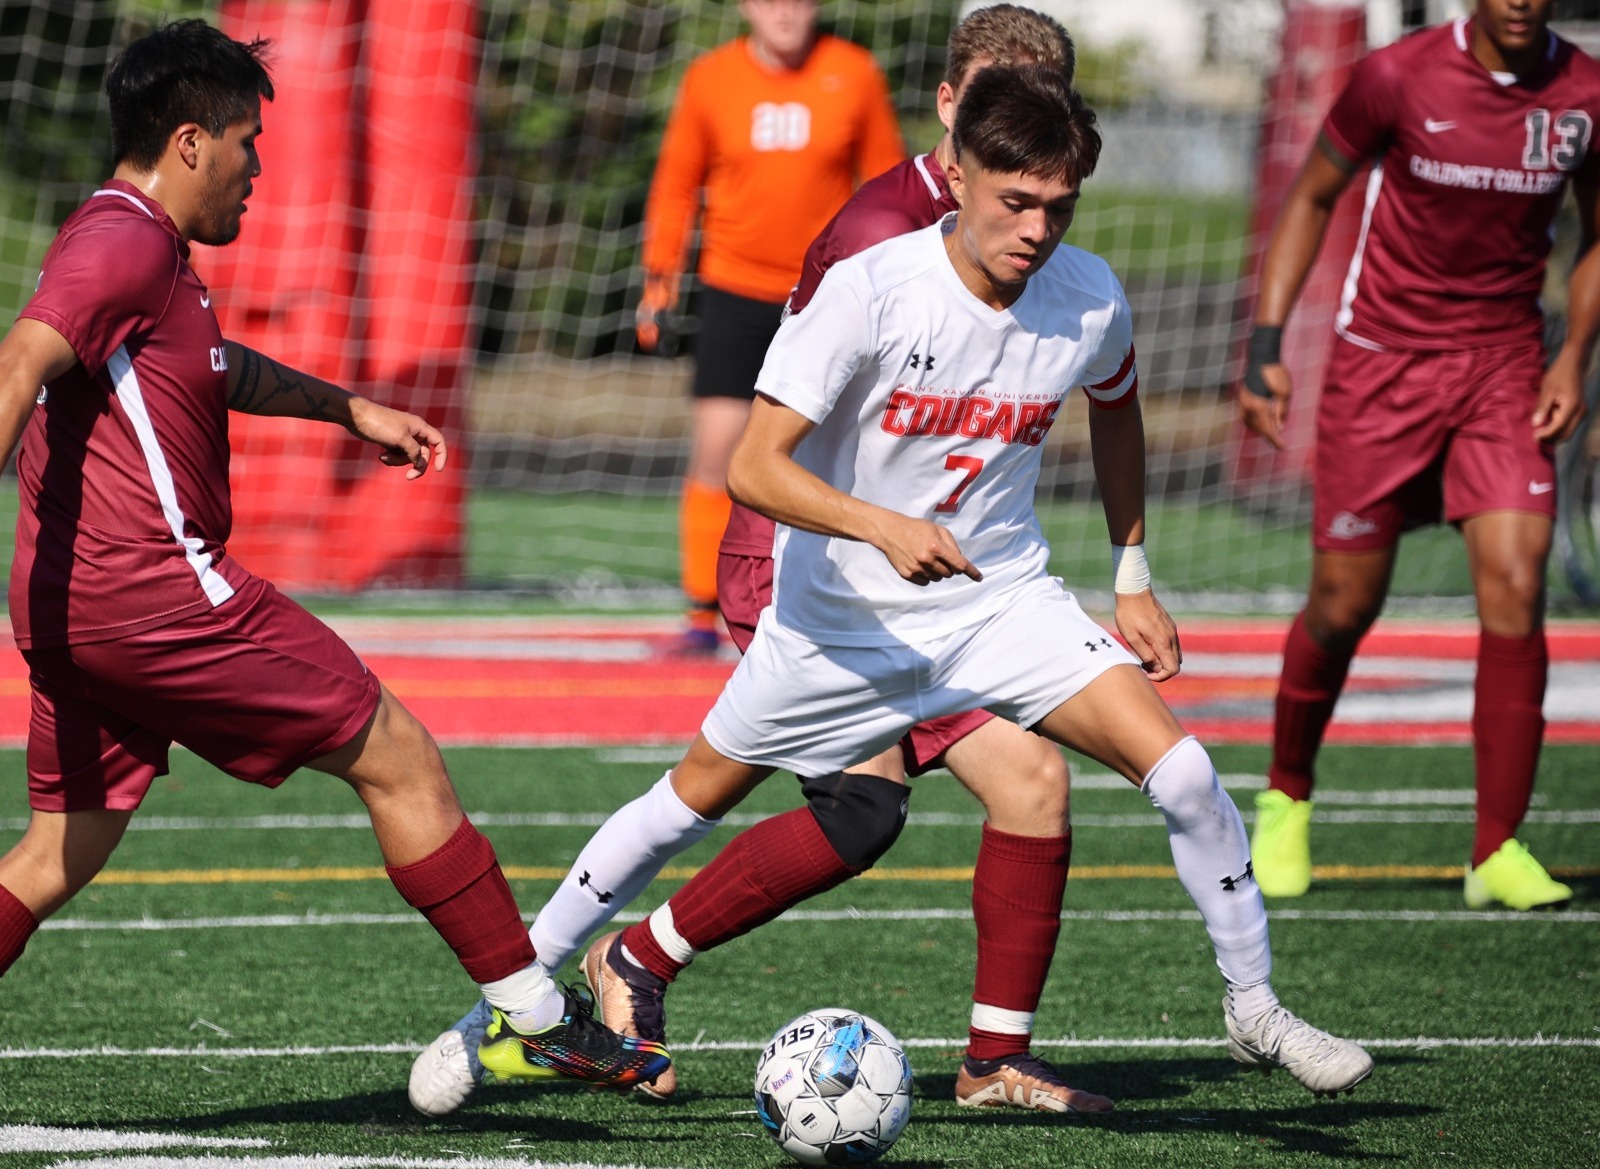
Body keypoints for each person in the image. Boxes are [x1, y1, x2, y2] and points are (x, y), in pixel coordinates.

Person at [424, 62, 1379, 1115]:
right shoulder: (873, 285)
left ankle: (1250, 1006)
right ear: (958, 175)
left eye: (1057, 207)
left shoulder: (1089, 295)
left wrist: (1131, 570)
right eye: (1014, 201)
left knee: (1186, 774)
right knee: (686, 804)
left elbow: (1116, 405)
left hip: (999, 607)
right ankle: (499, 1013)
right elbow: (753, 466)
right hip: (838, 622)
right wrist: (880, 526)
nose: (1035, 228)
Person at [408, 6, 1102, 1119]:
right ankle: (540, 986)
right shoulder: (884, 232)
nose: (1020, 153)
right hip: (805, 557)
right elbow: (784, 452)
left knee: (1026, 782)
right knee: (755, 792)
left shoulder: (1025, 257)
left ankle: (986, 1061)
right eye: (995, 118)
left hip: (918, 583)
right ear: (951, 115)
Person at [0, 19, 667, 1095]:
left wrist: (350, 409)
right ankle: (534, 1013)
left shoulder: (144, 248)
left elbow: (217, 367)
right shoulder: (117, 240)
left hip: (71, 611)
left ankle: (531, 1012)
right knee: (396, 749)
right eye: (245, 143)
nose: (257, 168)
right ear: (187, 144)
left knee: (50, 857)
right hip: (160, 594)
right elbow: (21, 356)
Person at [1238, 0, 1595, 910]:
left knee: (1517, 588)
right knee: (1344, 603)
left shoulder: (1585, 93)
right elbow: (1312, 195)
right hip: (1381, 368)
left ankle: (1498, 849)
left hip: (1505, 370)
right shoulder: (1396, 75)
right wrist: (1265, 347)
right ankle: (1285, 794)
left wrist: (1573, 356)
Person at [633, 0, 904, 654]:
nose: (786, 12)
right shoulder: (710, 78)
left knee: (839, 455)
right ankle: (702, 614)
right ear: (747, 6)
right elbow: (676, 184)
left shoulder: (855, 73)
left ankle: (841, 599)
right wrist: (658, 277)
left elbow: (889, 185)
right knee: (718, 452)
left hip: (825, 295)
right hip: (733, 293)